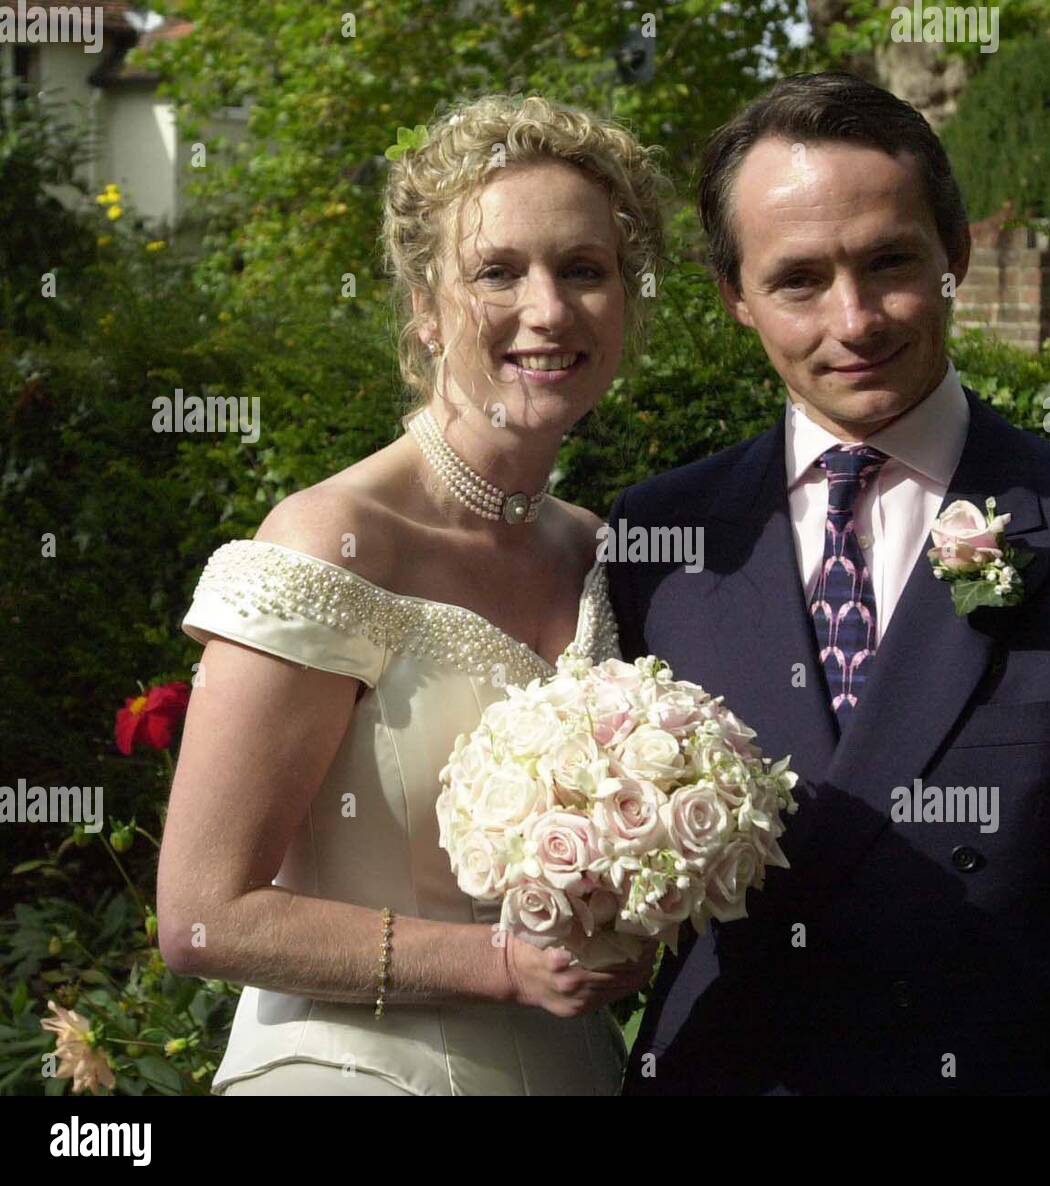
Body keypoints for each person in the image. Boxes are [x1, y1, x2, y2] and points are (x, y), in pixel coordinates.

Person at [608, 72, 1050, 1095]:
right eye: (798, 280)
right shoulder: (657, 541)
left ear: (955, 255)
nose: (855, 318)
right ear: (734, 297)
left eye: (889, 262)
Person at [156, 93, 668, 1096]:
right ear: (426, 309)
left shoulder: (605, 555)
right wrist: (500, 967)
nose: (548, 310)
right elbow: (202, 913)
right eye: (496, 272)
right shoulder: (330, 545)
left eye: (583, 270)